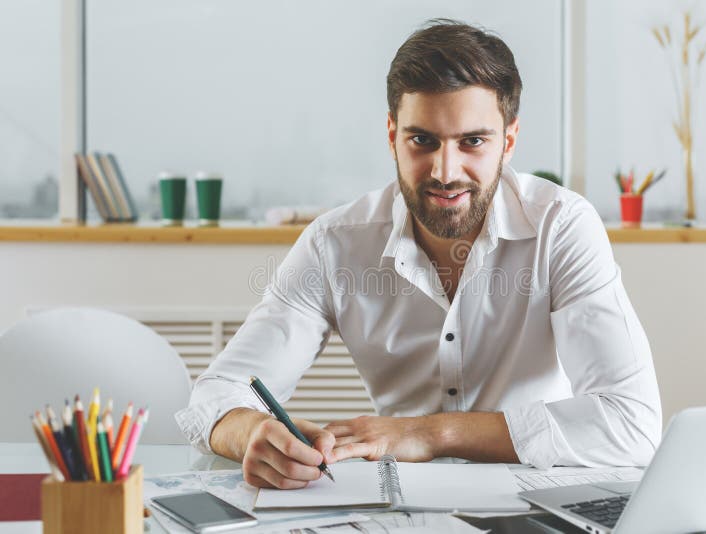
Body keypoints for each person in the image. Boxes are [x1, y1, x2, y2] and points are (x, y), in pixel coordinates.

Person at [176, 19, 661, 490]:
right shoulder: (334, 243)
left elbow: (633, 423)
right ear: (392, 136)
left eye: (473, 142)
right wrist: (252, 433)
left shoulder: (561, 226)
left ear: (508, 141)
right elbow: (215, 395)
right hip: (400, 507)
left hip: (537, 499)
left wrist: (429, 433)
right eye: (422, 141)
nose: (446, 171)